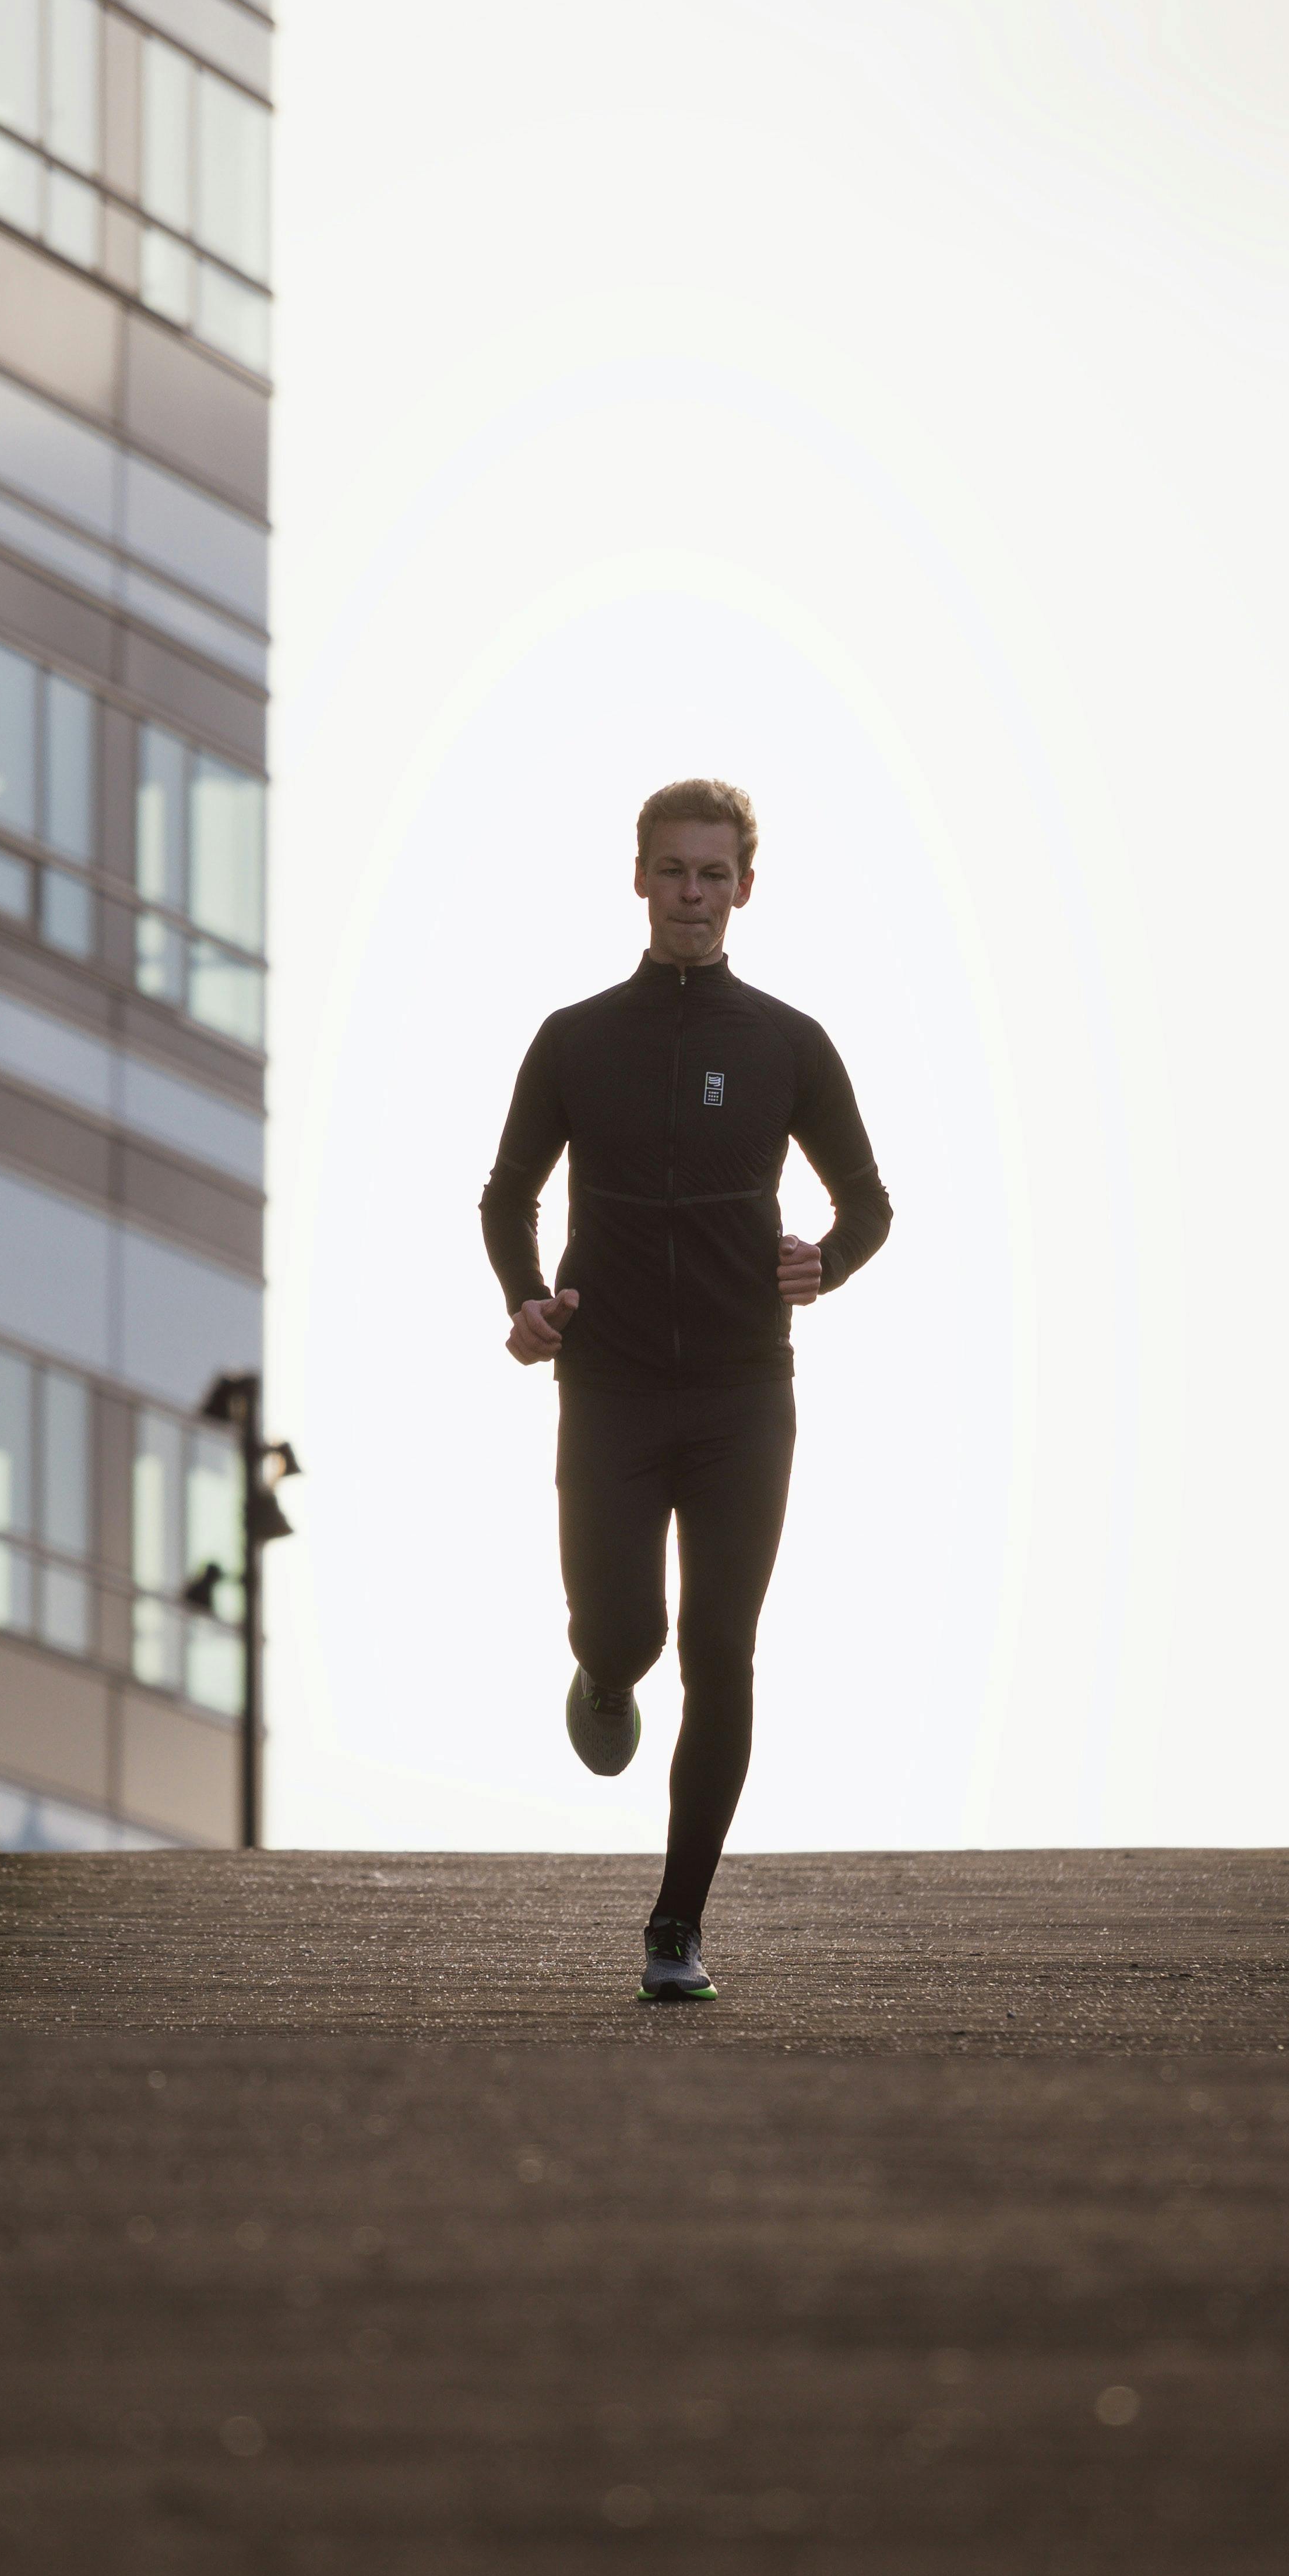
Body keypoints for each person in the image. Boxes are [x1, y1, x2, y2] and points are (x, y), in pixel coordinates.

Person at [480, 778, 893, 2004]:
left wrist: (832, 1259)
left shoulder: (785, 1043)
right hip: (606, 1391)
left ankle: (676, 1922)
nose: (692, 895)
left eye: (714, 875)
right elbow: (508, 1195)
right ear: (639, 880)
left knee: (723, 1649)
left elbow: (867, 1202)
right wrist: (524, 1297)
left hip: (739, 1395)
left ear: (743, 891)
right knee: (629, 1632)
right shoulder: (574, 1038)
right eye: (673, 871)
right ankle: (604, 1673)